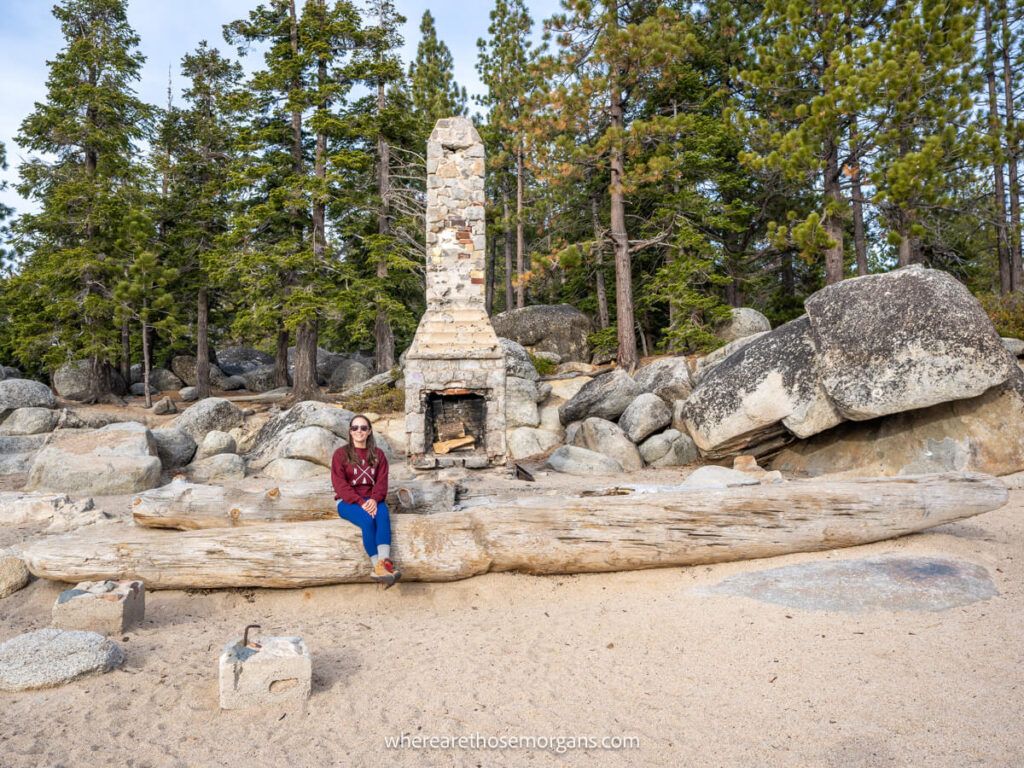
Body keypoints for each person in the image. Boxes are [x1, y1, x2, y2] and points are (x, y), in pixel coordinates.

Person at [330, 414, 401, 585]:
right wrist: (361, 502)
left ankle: (383, 563)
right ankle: (377, 566)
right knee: (368, 520)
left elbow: (382, 482)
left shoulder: (378, 454)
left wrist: (375, 500)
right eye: (355, 428)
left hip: (372, 499)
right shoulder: (341, 454)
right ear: (350, 431)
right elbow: (339, 485)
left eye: (363, 428)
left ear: (369, 431)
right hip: (347, 502)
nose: (359, 431)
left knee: (383, 515)